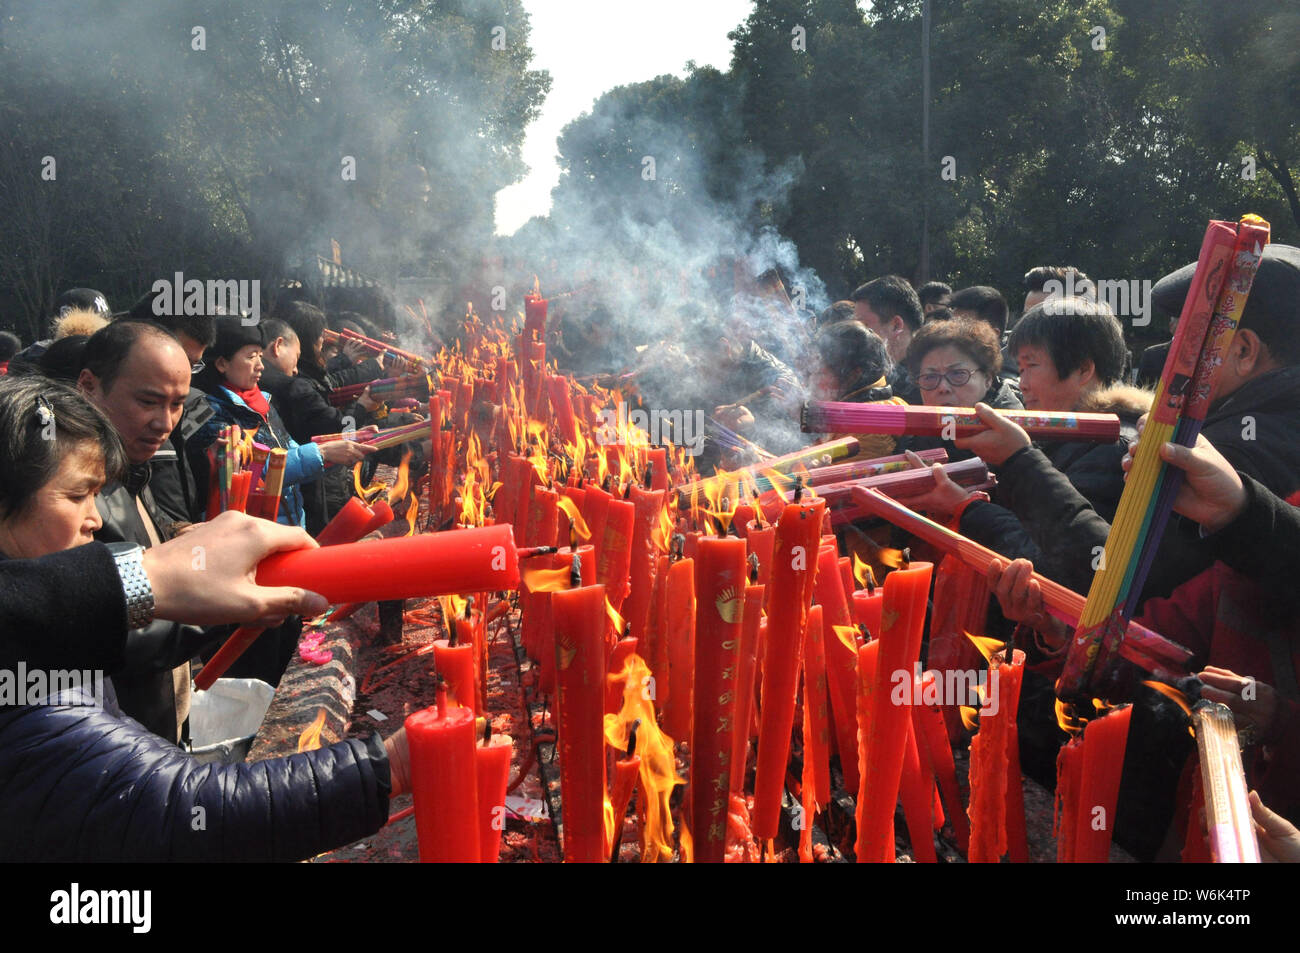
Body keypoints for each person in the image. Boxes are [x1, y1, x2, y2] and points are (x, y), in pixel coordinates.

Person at [0, 377, 411, 861]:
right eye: (75, 497)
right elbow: (178, 804)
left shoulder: (41, 628)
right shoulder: (28, 677)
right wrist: (388, 768)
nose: (94, 520)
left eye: (97, 496)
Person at [986, 426, 1300, 831]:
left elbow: (1095, 548)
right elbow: (1147, 650)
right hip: (1199, 820)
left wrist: (1284, 727)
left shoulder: (1257, 511)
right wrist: (1061, 636)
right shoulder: (1260, 538)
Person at [905, 299, 1147, 593]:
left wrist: (966, 508)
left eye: (1031, 366)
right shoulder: (1059, 437)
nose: (1023, 384)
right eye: (1019, 369)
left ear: (1083, 370)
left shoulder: (1114, 448)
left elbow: (1060, 567)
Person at [78, 320, 204, 742]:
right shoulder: (76, 493)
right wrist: (216, 607)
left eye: (177, 404)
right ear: (89, 385)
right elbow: (109, 633)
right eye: (148, 401)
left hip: (162, 714)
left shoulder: (130, 467)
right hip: (121, 739)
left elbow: (140, 557)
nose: (165, 423)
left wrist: (180, 538)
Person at [899, 317, 1022, 463]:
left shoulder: (1017, 433)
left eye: (957, 374)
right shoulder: (914, 430)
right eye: (930, 377)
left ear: (988, 378)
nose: (943, 388)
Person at [809, 321, 905, 457]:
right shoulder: (857, 411)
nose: (812, 379)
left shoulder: (868, 423)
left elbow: (839, 475)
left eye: (820, 373)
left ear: (853, 375)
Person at [849, 275, 924, 402]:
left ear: (896, 326)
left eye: (863, 326)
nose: (857, 335)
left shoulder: (925, 385)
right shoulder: (869, 375)